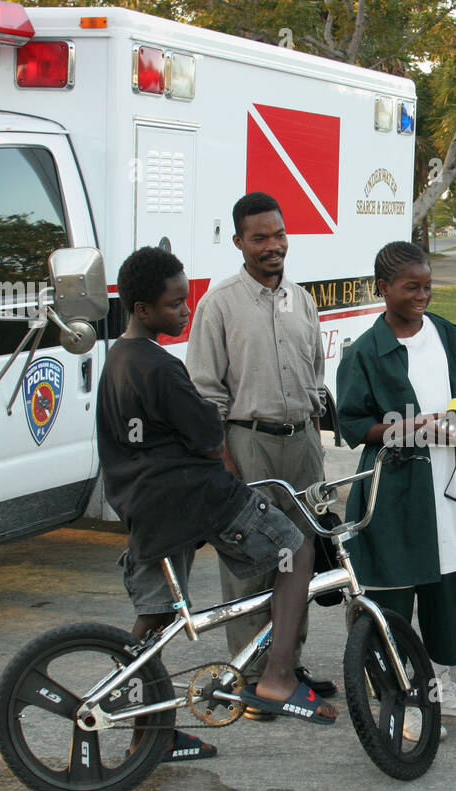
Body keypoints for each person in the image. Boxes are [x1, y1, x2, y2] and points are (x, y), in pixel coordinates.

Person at [97, 247, 334, 747]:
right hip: (192, 498)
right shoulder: (160, 367)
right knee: (296, 548)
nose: (185, 310)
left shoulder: (118, 358)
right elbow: (207, 431)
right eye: (174, 304)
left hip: (147, 509)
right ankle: (279, 676)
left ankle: (150, 736)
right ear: (142, 310)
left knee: (158, 617)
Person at [335, 241, 456, 741]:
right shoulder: (365, 351)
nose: (423, 295)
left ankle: (440, 683)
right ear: (383, 289)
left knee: (447, 581)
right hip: (395, 486)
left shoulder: (447, 334)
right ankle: (399, 694)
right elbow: (353, 423)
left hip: (444, 479)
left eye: (427, 285)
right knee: (395, 584)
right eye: (411, 287)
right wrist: (410, 427)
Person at [185, 192, 336, 709]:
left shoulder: (303, 299)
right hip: (247, 446)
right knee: (252, 560)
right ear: (238, 243)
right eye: (260, 238)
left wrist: (314, 436)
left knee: (302, 560)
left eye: (279, 234)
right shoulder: (219, 303)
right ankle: (248, 679)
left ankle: (287, 668)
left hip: (301, 448)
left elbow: (316, 375)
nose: (273, 246)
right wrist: (226, 464)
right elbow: (205, 393)